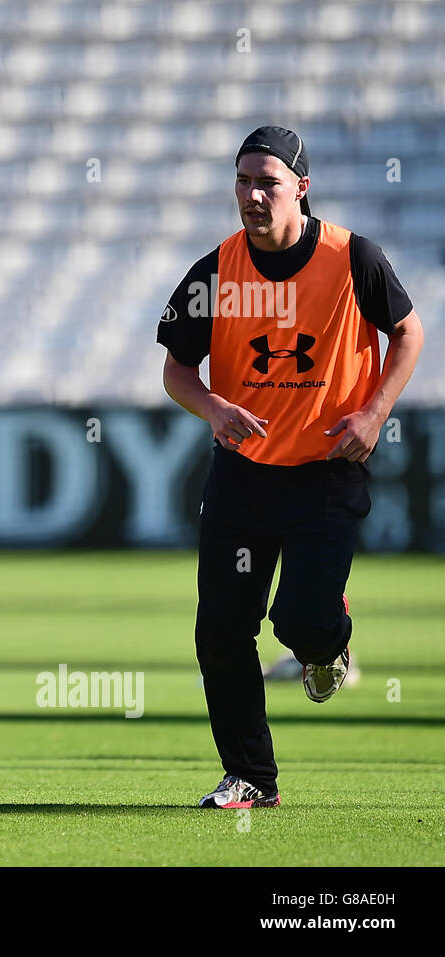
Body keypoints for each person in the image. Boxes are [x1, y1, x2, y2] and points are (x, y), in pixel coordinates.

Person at [158, 126, 423, 809]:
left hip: (326, 472)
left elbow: (409, 331)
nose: (251, 194)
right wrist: (214, 409)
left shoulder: (351, 257)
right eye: (242, 180)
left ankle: (327, 635)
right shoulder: (216, 269)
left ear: (300, 187)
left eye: (267, 182)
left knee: (301, 624)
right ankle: (249, 776)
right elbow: (177, 370)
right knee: (220, 630)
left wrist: (374, 414)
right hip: (242, 476)